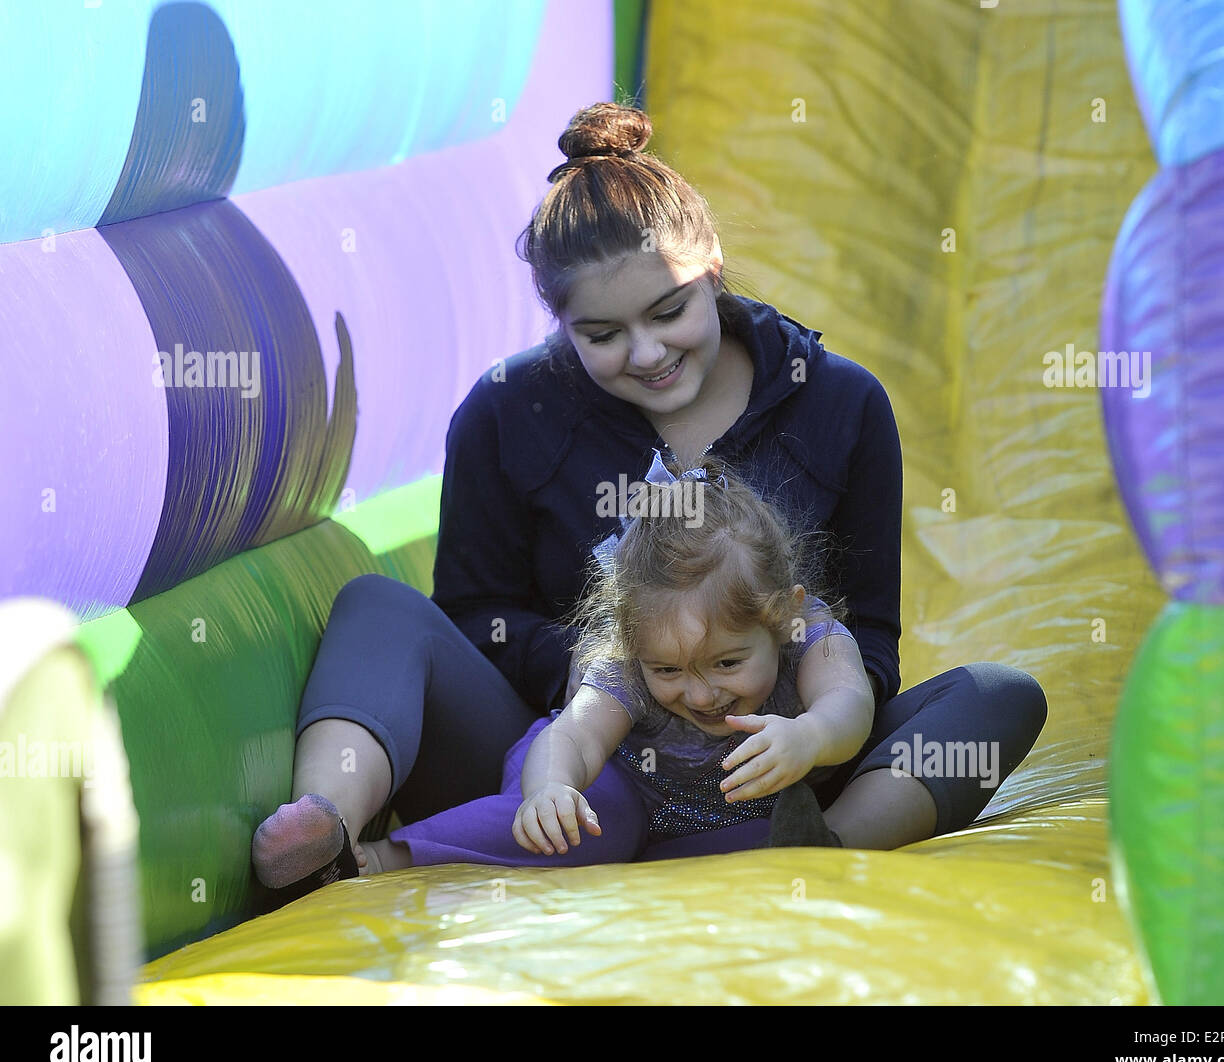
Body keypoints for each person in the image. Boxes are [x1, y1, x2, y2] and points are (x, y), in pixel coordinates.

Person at [251, 100, 1048, 905]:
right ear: (560, 322)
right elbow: (475, 619)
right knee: (379, 609)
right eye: (601, 334)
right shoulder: (506, 413)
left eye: (669, 311)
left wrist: (789, 713)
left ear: (710, 263)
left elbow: (870, 638)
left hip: (769, 766)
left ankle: (817, 849)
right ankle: (328, 831)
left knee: (994, 698)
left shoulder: (837, 403)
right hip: (565, 779)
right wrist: (622, 676)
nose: (648, 352)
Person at [357, 457, 876, 873]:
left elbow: (848, 700)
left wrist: (809, 735)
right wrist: (550, 791)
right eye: (668, 671)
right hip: (613, 791)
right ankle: (386, 857)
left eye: (725, 662)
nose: (700, 695)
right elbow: (573, 736)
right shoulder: (629, 660)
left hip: (705, 832)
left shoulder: (807, 633)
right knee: (586, 827)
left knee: (777, 840)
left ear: (781, 614)